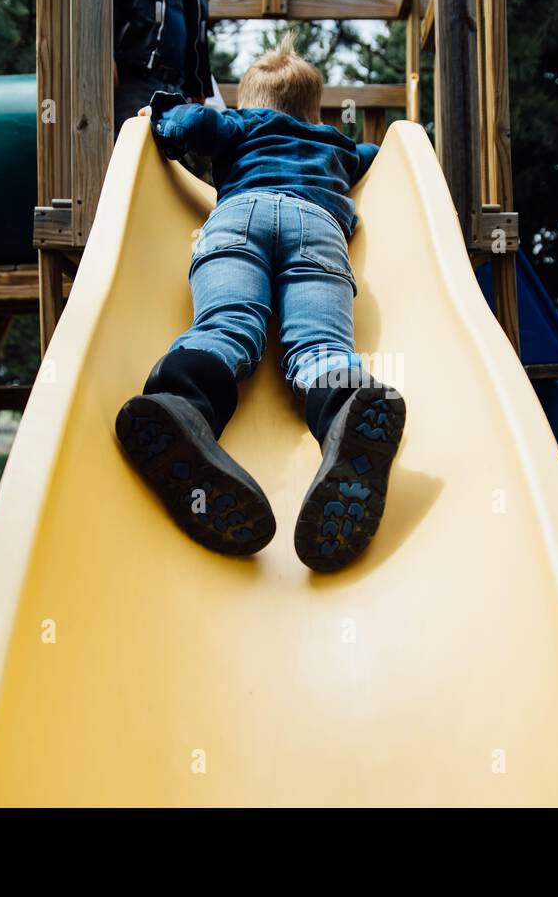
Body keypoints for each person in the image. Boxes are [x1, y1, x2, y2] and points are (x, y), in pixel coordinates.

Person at [114, 36, 406, 573]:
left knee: (227, 327)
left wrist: (161, 114)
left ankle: (182, 407)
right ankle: (345, 414)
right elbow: (380, 162)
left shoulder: (242, 125)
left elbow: (193, 127)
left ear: (248, 104)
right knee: (321, 343)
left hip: (238, 220)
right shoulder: (335, 144)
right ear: (313, 111)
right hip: (317, 228)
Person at [113, 0, 212, 126]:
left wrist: (197, 85)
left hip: (175, 88)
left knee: (169, 150)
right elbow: (104, 16)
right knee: (132, 144)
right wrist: (105, 55)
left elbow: (196, 38)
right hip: (136, 82)